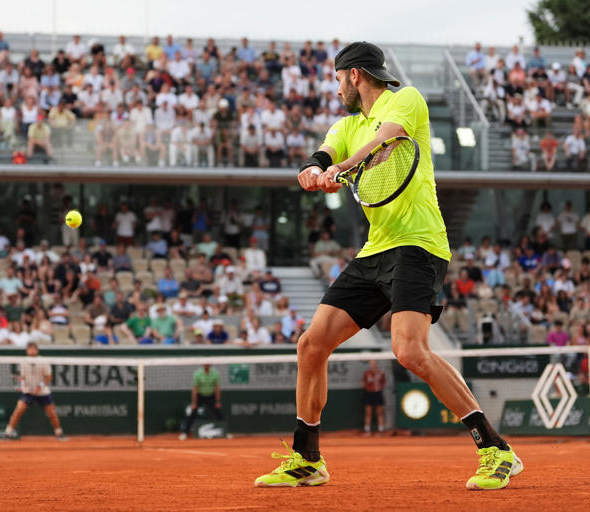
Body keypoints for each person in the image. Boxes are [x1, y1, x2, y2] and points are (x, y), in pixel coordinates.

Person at [255, 42, 522, 491]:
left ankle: (496, 449)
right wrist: (312, 170)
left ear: (355, 75)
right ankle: (306, 459)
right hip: (375, 251)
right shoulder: (345, 125)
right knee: (311, 345)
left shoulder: (407, 99)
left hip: (420, 243)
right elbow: (322, 154)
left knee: (410, 351)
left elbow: (385, 138)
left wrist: (342, 167)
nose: (337, 86)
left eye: (339, 78)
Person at [4, 342, 66, 439]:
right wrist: (25, 385)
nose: (32, 350)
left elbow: (48, 377)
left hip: (43, 393)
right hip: (28, 394)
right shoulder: (23, 361)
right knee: (19, 410)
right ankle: (8, 433)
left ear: (37, 350)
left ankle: (59, 433)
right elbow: (23, 377)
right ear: (27, 350)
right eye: (30, 348)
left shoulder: (43, 361)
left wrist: (39, 387)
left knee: (52, 413)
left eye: (33, 348)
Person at [179, 364, 224, 440]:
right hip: (200, 396)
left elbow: (217, 388)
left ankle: (224, 431)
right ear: (203, 365)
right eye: (205, 364)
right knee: (193, 413)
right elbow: (195, 389)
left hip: (211, 396)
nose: (206, 365)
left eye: (208, 363)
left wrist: (217, 401)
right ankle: (185, 433)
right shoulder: (198, 373)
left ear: (210, 364)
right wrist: (194, 403)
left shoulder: (215, 373)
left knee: (218, 413)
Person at [361, 360, 386, 434]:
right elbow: (363, 383)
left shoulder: (381, 373)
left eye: (374, 364)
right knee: (368, 412)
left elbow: (384, 382)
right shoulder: (367, 373)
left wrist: (379, 387)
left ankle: (381, 430)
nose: (373, 365)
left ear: (376, 364)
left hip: (378, 393)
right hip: (369, 394)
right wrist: (366, 385)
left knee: (380, 412)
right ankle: (367, 430)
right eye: (371, 364)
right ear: (370, 365)